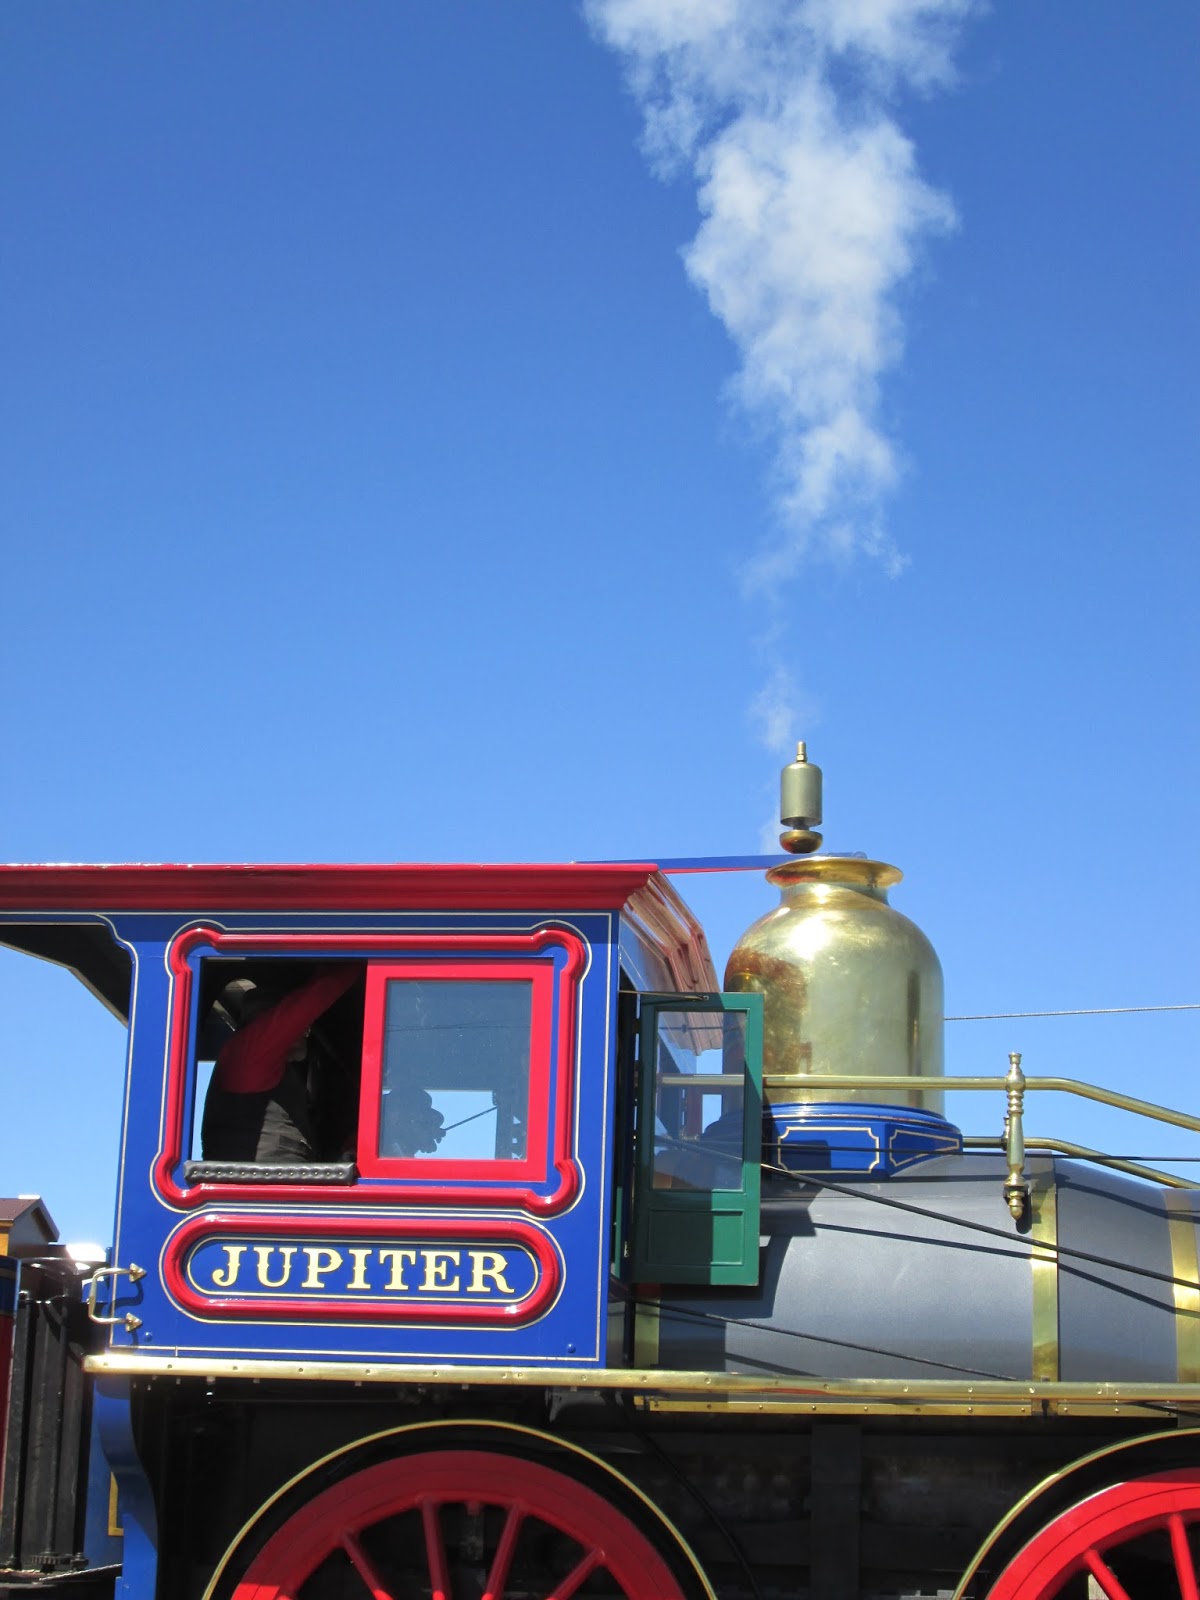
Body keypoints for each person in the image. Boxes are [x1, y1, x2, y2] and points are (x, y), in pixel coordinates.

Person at [201, 965, 361, 1163]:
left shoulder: (277, 1073)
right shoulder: (252, 1051)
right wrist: (363, 960)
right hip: (260, 1181)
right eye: (300, 1028)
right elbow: (320, 993)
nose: (304, 1033)